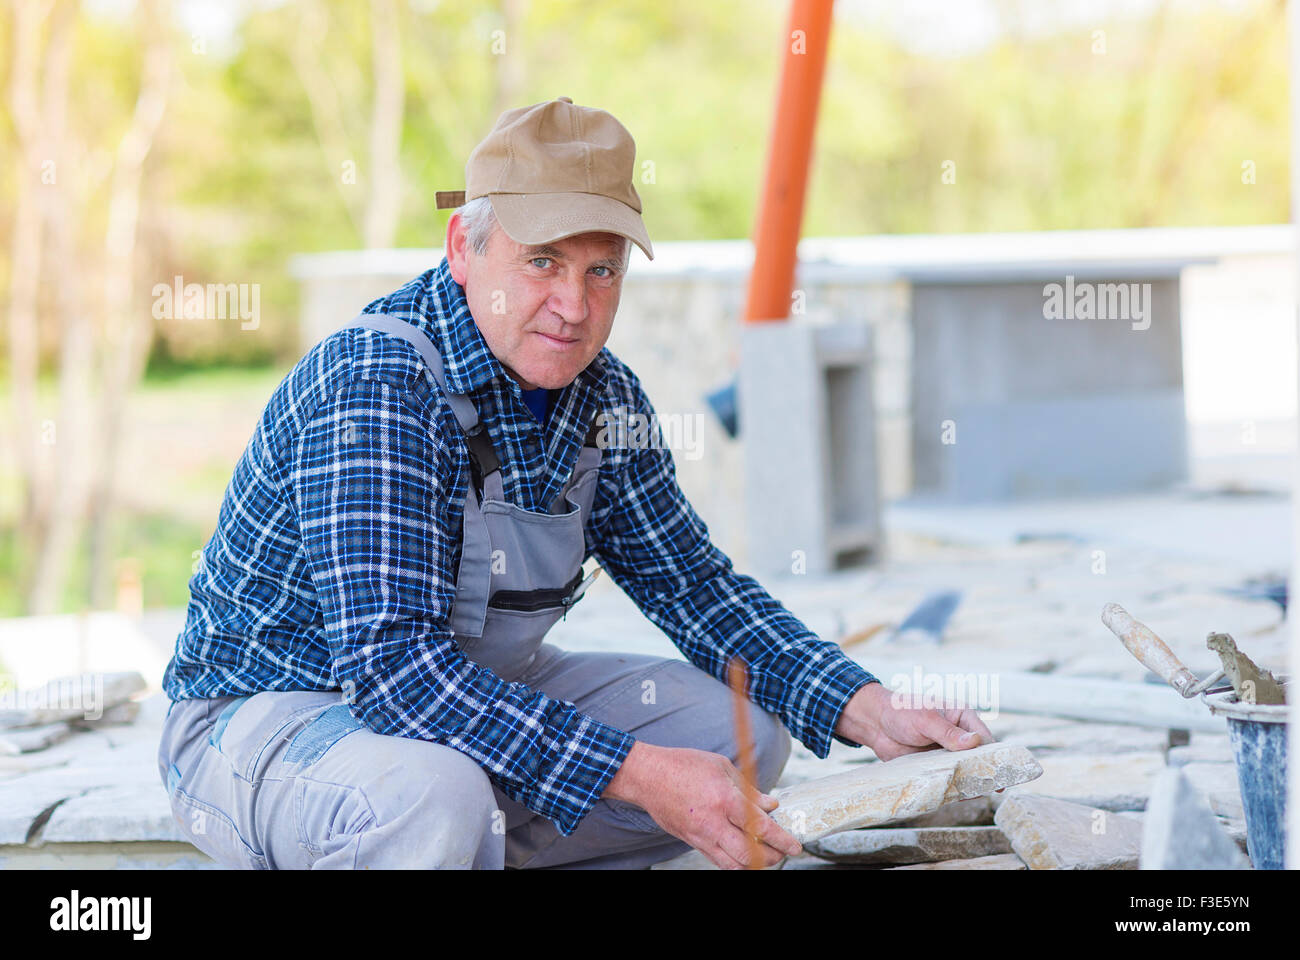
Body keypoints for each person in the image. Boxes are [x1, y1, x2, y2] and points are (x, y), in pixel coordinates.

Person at [157, 96, 993, 870]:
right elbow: (394, 675)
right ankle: (436, 836)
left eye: (603, 271)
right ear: (463, 249)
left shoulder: (603, 397)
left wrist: (869, 707)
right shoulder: (378, 387)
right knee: (433, 795)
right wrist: (634, 773)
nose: (573, 304)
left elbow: (696, 589)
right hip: (280, 718)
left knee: (738, 736)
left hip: (459, 706)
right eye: (543, 262)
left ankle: (459, 845)